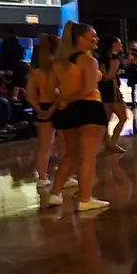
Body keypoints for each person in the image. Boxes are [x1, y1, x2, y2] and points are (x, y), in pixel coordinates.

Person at [45, 22, 110, 213]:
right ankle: (85, 198)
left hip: (68, 111)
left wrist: (62, 100)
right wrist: (69, 98)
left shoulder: (59, 63)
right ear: (80, 38)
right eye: (93, 35)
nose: (96, 39)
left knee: (70, 154)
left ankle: (55, 193)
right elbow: (88, 89)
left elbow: (50, 90)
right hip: (89, 107)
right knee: (88, 157)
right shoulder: (88, 61)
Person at [25, 33, 60, 188]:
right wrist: (53, 109)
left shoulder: (36, 72)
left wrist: (39, 109)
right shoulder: (59, 69)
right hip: (58, 107)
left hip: (43, 106)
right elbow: (61, 93)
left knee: (44, 146)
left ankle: (42, 177)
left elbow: (29, 94)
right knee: (63, 144)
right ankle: (63, 175)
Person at [99, 36, 129, 153]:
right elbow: (110, 76)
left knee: (106, 119)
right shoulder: (115, 59)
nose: (121, 45)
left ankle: (108, 143)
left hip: (103, 90)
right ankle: (112, 143)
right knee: (123, 117)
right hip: (112, 90)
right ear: (113, 44)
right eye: (119, 43)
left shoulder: (102, 58)